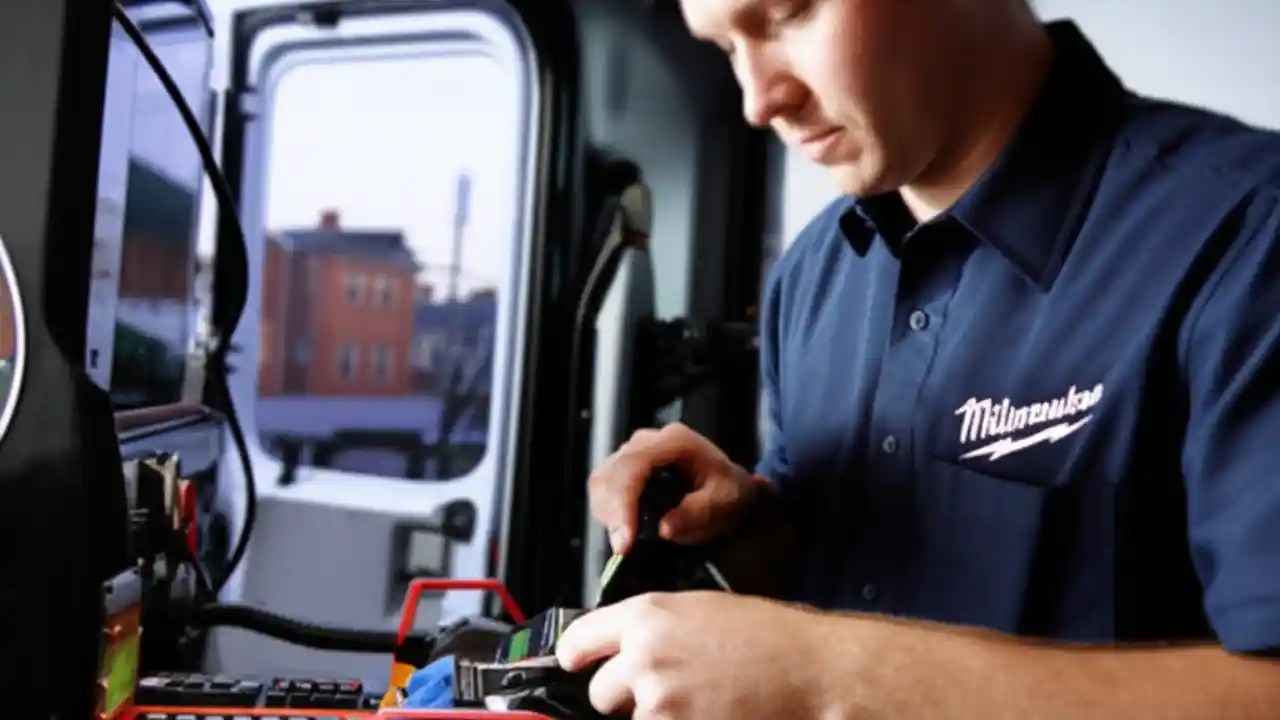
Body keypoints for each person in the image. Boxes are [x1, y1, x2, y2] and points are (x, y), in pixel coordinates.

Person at [554, 0, 1280, 717]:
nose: (758, 98)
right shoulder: (813, 274)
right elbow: (835, 574)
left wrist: (827, 674)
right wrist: (748, 527)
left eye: (788, 16)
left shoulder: (1250, 235)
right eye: (725, 48)